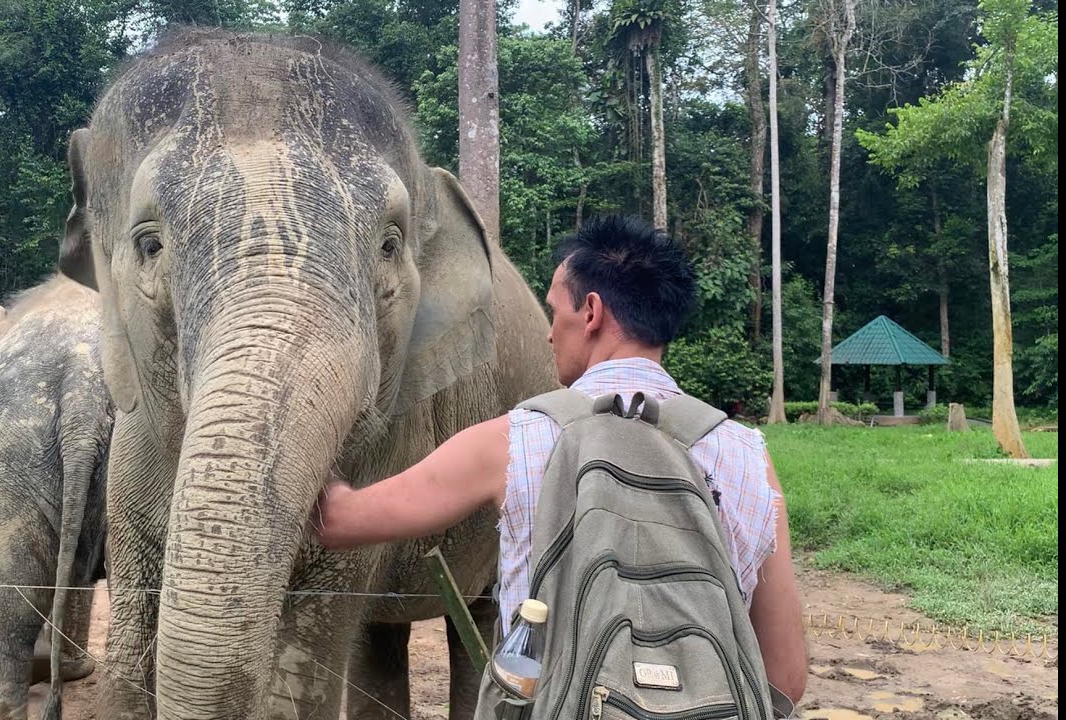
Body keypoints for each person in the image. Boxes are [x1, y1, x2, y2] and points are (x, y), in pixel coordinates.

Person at [311, 214, 807, 703]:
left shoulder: (515, 439)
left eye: (555, 313)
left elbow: (338, 520)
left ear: (590, 313)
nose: (549, 335)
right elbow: (785, 678)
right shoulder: (747, 456)